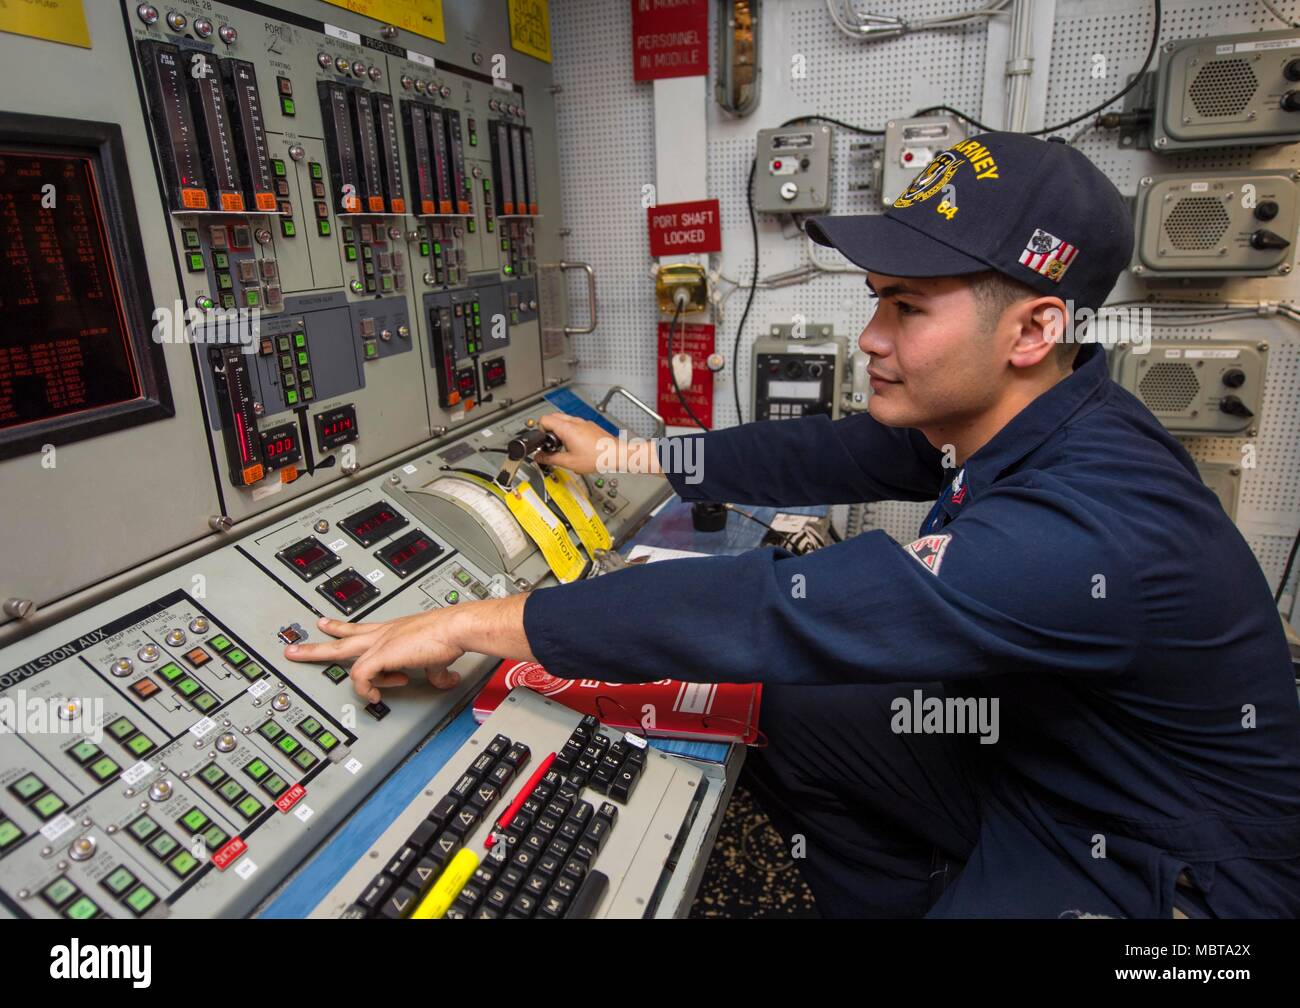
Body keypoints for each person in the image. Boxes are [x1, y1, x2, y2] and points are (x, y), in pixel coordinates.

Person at [285, 132, 1300, 918]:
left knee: (777, 656)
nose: (871, 337)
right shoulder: (1027, 414)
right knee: (791, 710)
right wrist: (631, 456)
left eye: (906, 307)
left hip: (1165, 865)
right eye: (875, 300)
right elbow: (820, 453)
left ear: (1034, 328)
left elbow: (779, 609)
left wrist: (482, 622)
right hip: (1047, 760)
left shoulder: (1089, 529)